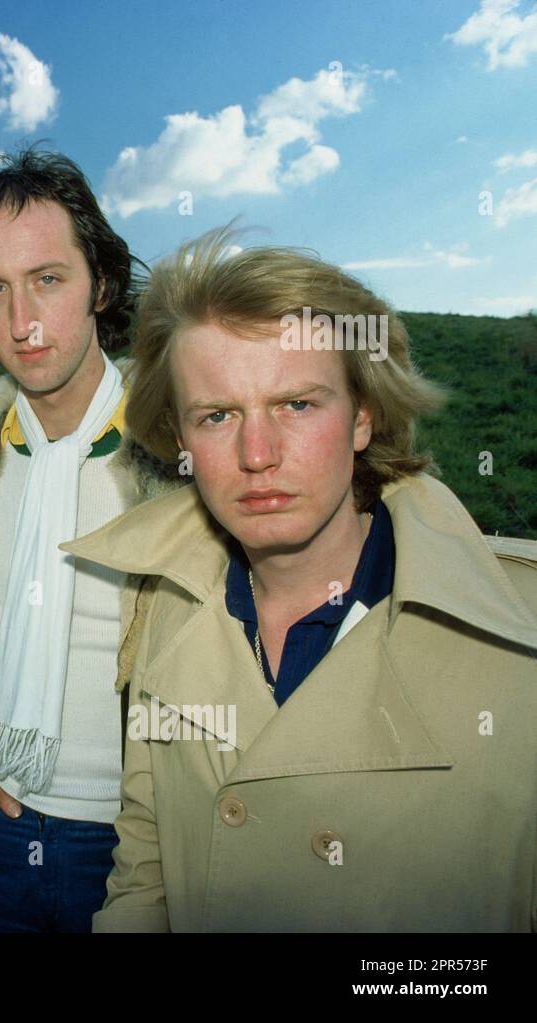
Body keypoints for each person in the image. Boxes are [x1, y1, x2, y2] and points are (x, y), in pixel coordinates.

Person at [66, 228, 537, 931]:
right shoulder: (162, 600)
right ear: (184, 439)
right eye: (218, 415)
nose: (257, 454)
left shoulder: (517, 635)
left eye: (297, 404)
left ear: (363, 416)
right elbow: (146, 857)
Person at [0, 148, 184, 932]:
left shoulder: (179, 443)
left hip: (136, 842)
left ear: (101, 283)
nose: (23, 322)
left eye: (48, 279)